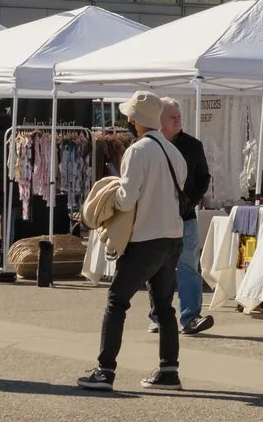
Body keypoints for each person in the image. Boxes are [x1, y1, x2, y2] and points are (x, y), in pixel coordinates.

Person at [80, 91, 188, 391]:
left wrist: (108, 194)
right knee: (164, 306)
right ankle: (169, 370)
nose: (127, 120)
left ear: (137, 120)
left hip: (145, 238)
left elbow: (127, 201)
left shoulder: (138, 151)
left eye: (130, 116)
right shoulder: (172, 151)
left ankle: (105, 370)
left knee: (117, 302)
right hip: (172, 237)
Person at [160, 99, 214, 335]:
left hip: (186, 215)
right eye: (173, 117)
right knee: (158, 267)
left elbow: (204, 177)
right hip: (158, 216)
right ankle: (158, 315)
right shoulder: (149, 146)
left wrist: (190, 199)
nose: (178, 120)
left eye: (179, 116)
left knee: (189, 266)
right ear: (159, 120)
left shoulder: (193, 145)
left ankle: (190, 317)